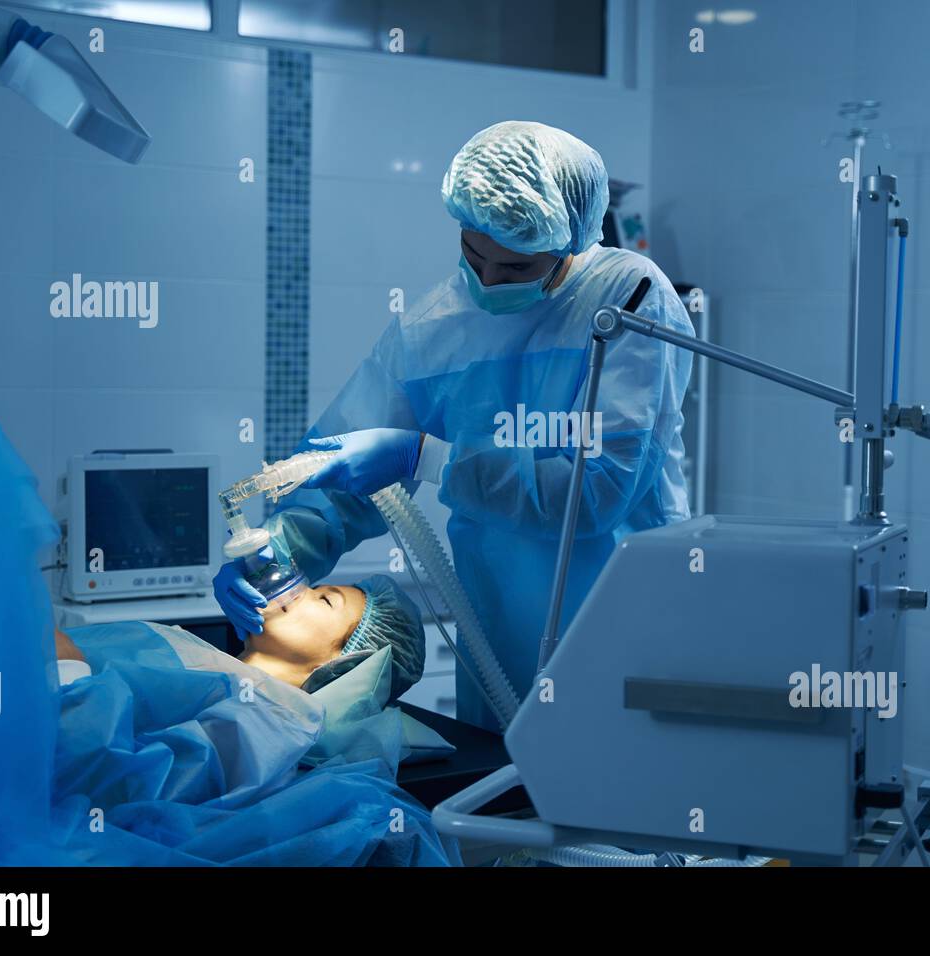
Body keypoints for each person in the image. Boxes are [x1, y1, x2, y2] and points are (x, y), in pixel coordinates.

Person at [214, 120, 693, 730]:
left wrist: (427, 459)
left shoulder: (628, 297)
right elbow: (336, 472)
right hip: (496, 634)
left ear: (570, 240)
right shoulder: (434, 328)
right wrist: (278, 549)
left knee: (623, 802)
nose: (488, 283)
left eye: (516, 269)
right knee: (503, 808)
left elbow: (595, 494)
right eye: (473, 254)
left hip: (622, 624)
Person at [64, 574, 425, 699]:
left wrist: (66, 667)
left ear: (344, 665)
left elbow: (99, 762)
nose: (301, 589)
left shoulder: (258, 722)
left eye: (325, 599)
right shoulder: (200, 661)